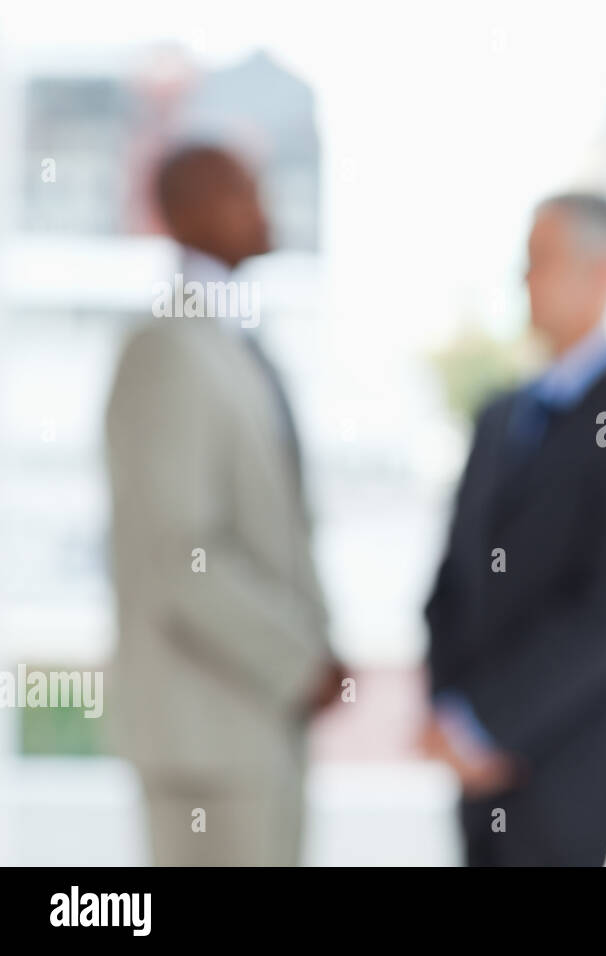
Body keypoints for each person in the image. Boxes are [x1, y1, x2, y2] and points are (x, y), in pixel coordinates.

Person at [422, 193, 606, 866]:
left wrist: (489, 727)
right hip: (479, 795)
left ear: (604, 275)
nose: (524, 281)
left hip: (579, 786)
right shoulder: (497, 416)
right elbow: (451, 579)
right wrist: (449, 713)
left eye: (540, 261)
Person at [104, 143, 343, 866]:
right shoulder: (165, 350)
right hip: (205, 737)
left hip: (251, 726)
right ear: (187, 211)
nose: (263, 210)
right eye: (244, 193)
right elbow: (183, 555)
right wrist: (300, 662)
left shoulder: (230, 339)